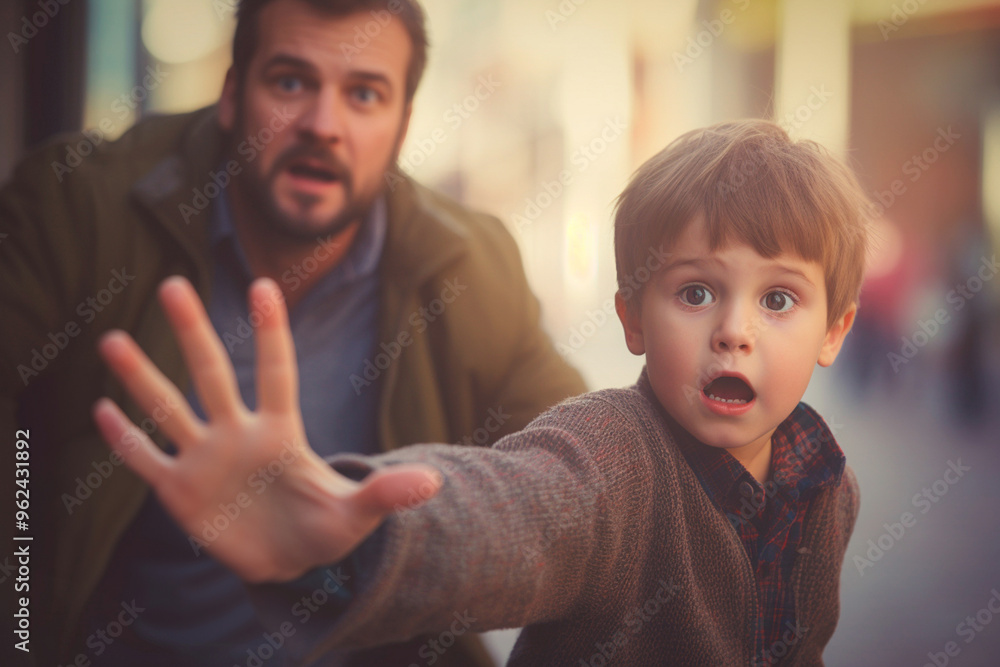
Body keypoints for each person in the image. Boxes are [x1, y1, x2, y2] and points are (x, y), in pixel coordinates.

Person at [94, 119, 869, 666]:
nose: (735, 330)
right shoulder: (612, 462)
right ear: (632, 318)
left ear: (835, 330)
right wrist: (347, 535)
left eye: (778, 300)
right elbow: (510, 508)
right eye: (696, 292)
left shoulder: (827, 486)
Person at [0, 0, 585, 664]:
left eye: (364, 94)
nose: (322, 125)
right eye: (290, 82)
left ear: (403, 125)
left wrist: (377, 538)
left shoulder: (473, 266)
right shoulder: (77, 205)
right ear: (231, 95)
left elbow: (569, 487)